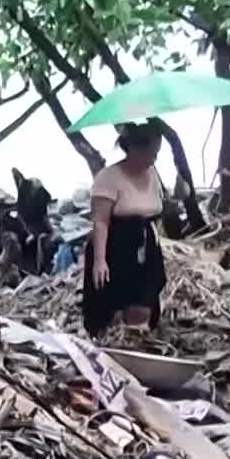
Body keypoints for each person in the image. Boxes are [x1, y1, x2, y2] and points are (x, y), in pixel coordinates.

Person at [82, 121, 168, 337]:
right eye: (151, 152)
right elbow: (100, 221)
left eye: (157, 153)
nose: (154, 158)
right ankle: (114, 339)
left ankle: (141, 339)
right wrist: (100, 261)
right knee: (117, 303)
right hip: (117, 245)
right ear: (135, 148)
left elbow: (156, 207)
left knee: (145, 301)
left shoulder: (153, 174)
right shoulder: (109, 177)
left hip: (146, 243)